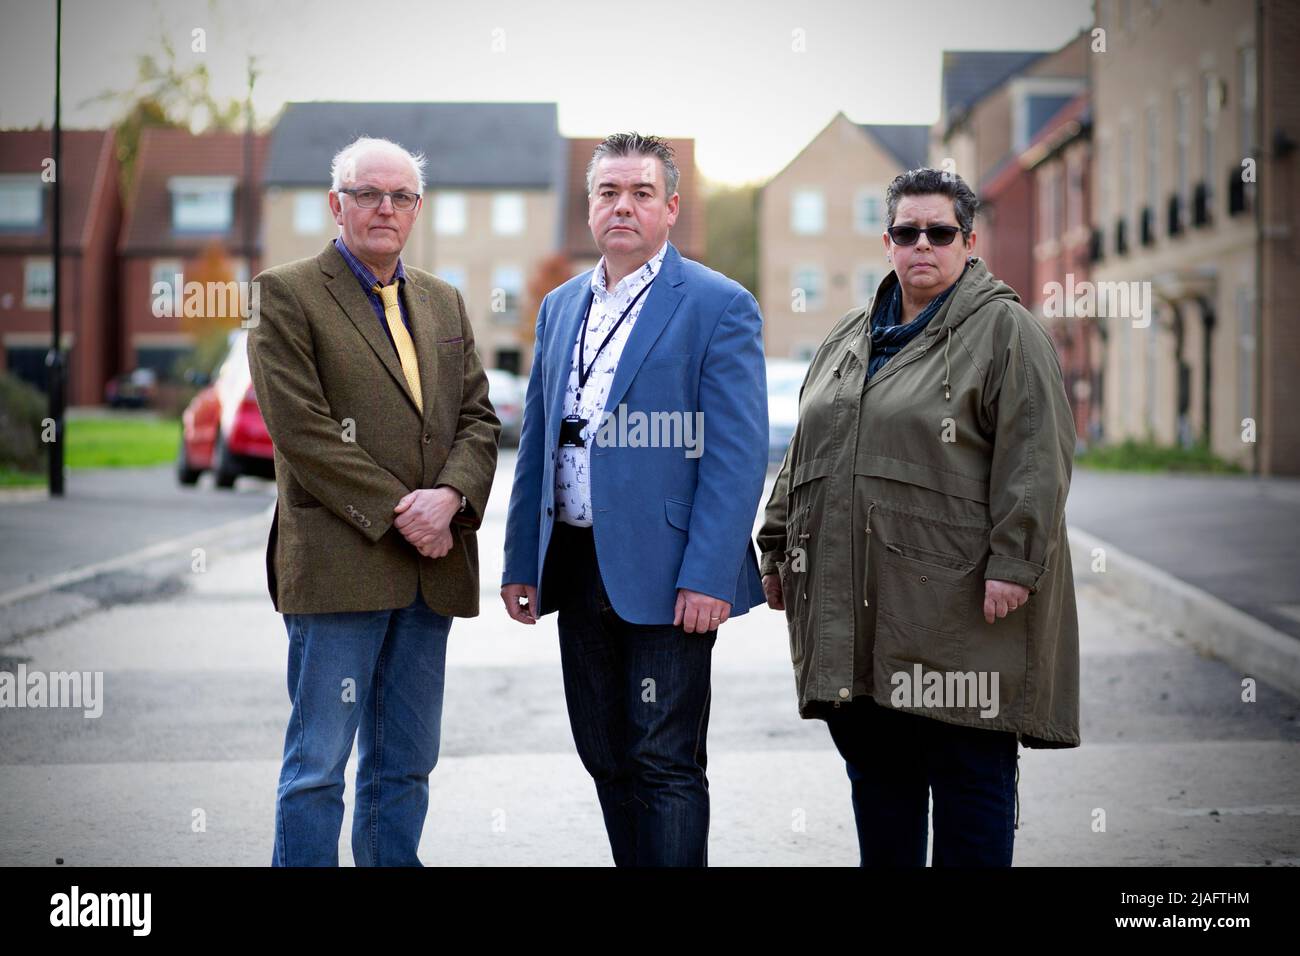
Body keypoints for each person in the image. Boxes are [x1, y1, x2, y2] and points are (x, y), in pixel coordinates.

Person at [757, 167, 1079, 867]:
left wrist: (1016, 564)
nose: (922, 245)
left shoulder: (1006, 331)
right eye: (908, 232)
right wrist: (777, 546)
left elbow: (1038, 458)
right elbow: (804, 450)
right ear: (888, 241)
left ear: (968, 240)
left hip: (960, 610)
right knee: (880, 784)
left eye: (939, 232)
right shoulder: (847, 336)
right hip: (856, 613)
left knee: (969, 783)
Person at [501, 133, 768, 867]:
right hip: (577, 566)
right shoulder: (559, 307)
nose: (623, 206)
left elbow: (738, 455)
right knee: (606, 755)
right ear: (589, 207)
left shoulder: (718, 305)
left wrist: (711, 574)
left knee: (664, 761)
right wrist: (521, 559)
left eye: (641, 192)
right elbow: (537, 442)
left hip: (670, 573)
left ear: (671, 207)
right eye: (609, 192)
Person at [247, 136, 500, 866]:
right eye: (367, 194)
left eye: (400, 196)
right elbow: (304, 432)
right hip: (340, 569)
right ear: (337, 204)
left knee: (404, 764)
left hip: (430, 573)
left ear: (417, 210)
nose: (384, 208)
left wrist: (450, 495)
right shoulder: (284, 295)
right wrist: (407, 513)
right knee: (318, 768)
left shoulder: (442, 299)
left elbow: (480, 419)